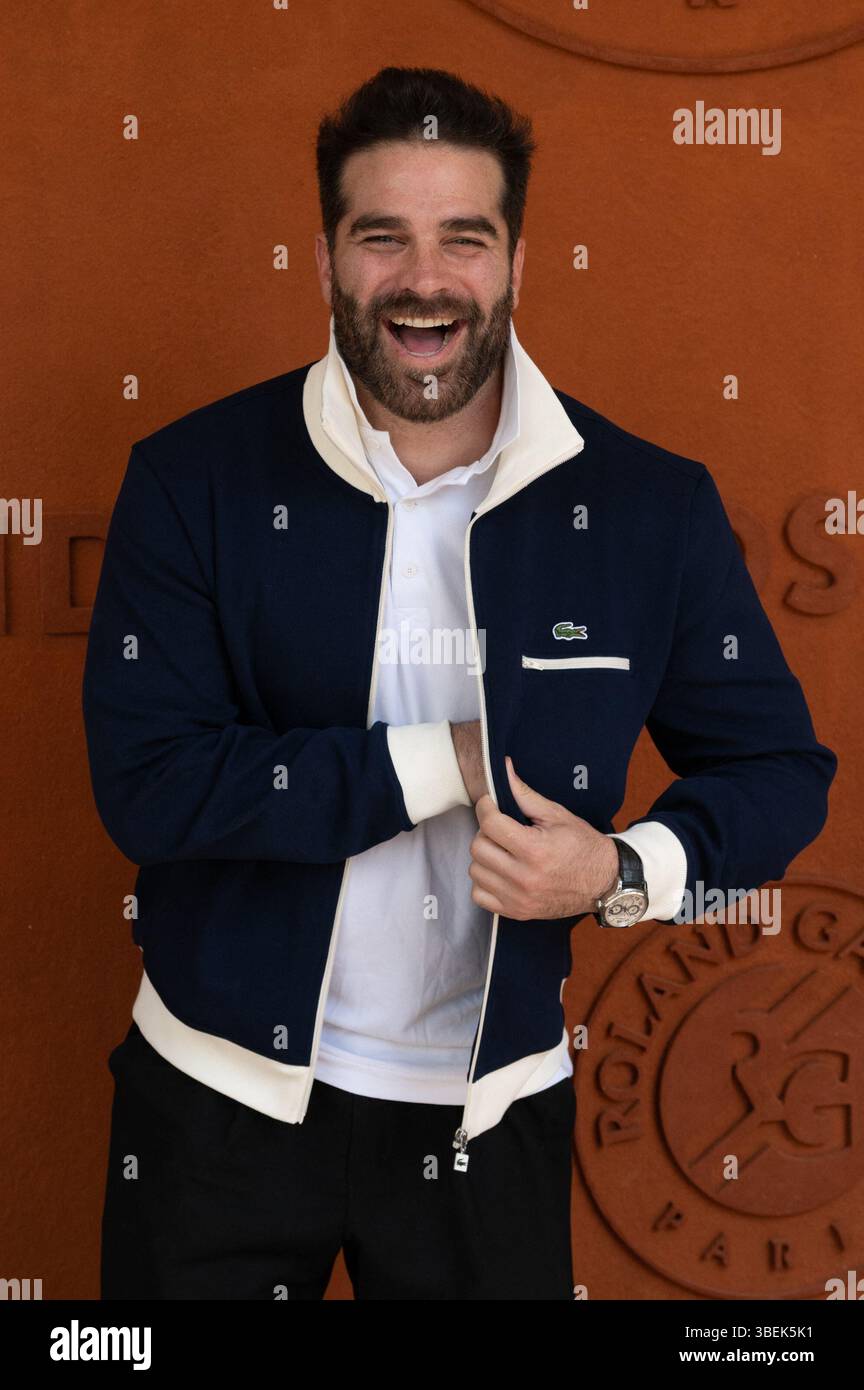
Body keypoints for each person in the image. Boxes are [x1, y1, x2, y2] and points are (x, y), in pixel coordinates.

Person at [83, 66, 837, 1300]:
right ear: (326, 260)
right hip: (214, 1105)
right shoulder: (193, 478)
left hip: (488, 1126)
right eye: (382, 237)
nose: (423, 280)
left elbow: (779, 772)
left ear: (517, 264)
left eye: (463, 240)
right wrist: (441, 758)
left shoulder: (651, 508)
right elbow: (149, 786)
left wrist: (621, 874)